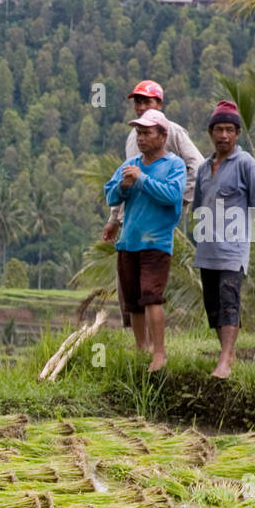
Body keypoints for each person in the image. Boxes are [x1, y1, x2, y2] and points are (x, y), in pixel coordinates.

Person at [102, 80, 203, 344]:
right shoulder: (133, 138)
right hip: (131, 224)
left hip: (158, 224)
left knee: (152, 289)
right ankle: (140, 347)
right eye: (138, 102)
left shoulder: (174, 133)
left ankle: (157, 350)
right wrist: (114, 218)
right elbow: (123, 179)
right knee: (131, 292)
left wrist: (181, 201)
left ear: (159, 104)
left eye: (148, 101)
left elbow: (198, 166)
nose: (142, 107)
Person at [190, 100, 255, 379]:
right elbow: (199, 207)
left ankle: (225, 360)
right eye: (218, 130)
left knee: (229, 300)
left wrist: (239, 229)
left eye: (229, 130)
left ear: (236, 134)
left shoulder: (246, 163)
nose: (223, 135)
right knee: (212, 305)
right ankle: (227, 352)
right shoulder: (203, 168)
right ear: (211, 133)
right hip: (207, 250)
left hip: (232, 251)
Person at [103, 109, 187, 373]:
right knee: (133, 301)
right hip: (129, 242)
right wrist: (124, 186)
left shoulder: (174, 165)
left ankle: (159, 353)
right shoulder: (130, 166)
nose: (141, 138)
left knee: (152, 297)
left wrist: (141, 180)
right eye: (138, 133)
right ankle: (142, 349)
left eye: (147, 133)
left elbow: (171, 195)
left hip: (156, 242)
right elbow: (111, 196)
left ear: (163, 136)